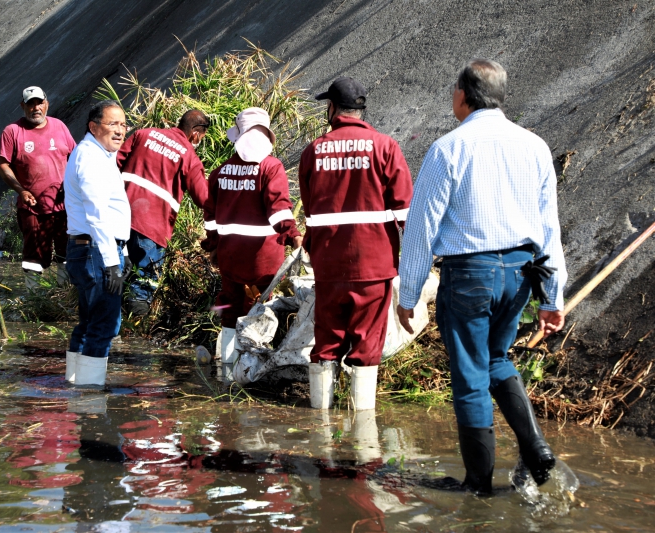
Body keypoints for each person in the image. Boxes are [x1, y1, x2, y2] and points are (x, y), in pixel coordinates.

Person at [397, 59, 567, 493]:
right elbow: (549, 227)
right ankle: (536, 447)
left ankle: (478, 486)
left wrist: (408, 293)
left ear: (464, 95)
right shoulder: (534, 146)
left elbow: (421, 228)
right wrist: (552, 296)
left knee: (471, 374)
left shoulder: (449, 148)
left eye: (454, 88)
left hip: (470, 273)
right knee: (496, 358)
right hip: (521, 272)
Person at [298, 78, 413, 411]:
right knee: (367, 344)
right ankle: (361, 428)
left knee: (327, 339)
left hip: (329, 264)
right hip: (374, 264)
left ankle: (321, 422)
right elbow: (406, 212)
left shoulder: (314, 151)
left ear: (332, 108)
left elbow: (311, 212)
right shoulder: (385, 147)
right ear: (361, 110)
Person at [202, 107, 302, 365]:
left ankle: (227, 369)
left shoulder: (221, 172)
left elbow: (210, 217)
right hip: (263, 261)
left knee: (230, 309)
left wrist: (213, 245)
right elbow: (279, 210)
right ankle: (250, 369)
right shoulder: (271, 167)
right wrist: (293, 235)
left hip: (230, 258)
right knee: (259, 309)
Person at [63, 100, 132, 386]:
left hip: (92, 248)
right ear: (93, 126)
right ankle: (89, 395)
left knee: (90, 321)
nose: (120, 130)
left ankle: (74, 385)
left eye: (123, 125)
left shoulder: (98, 154)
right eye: (112, 123)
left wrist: (122, 251)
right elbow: (97, 214)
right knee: (104, 324)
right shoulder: (91, 158)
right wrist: (113, 262)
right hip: (95, 250)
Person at [116, 109, 209, 316]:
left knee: (114, 274)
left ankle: (106, 324)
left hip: (119, 216)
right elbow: (203, 199)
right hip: (152, 228)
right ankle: (135, 329)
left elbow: (114, 162)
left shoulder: (143, 134)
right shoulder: (189, 157)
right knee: (144, 283)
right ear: (195, 134)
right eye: (201, 137)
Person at [0, 86, 76, 290]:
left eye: (39, 103)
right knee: (34, 256)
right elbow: (3, 165)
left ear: (46, 104)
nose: (36, 108)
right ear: (22, 106)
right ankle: (35, 297)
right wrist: (21, 190)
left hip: (64, 206)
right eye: (30, 104)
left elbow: (75, 158)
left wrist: (74, 187)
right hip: (32, 208)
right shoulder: (12, 131)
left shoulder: (59, 126)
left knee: (67, 252)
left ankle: (64, 294)